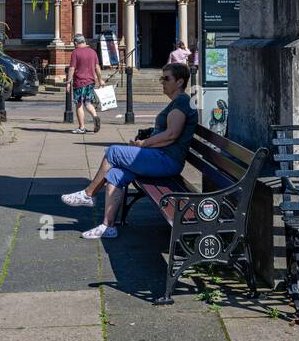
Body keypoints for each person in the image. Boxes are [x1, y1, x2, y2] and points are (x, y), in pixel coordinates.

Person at [61, 63, 197, 240]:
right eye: (161, 78)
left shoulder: (181, 102)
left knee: (113, 152)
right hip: (160, 157)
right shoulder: (177, 102)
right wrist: (143, 143)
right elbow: (167, 135)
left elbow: (171, 135)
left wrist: (144, 144)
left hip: (166, 160)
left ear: (179, 82)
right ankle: (107, 226)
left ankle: (89, 194)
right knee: (116, 173)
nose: (162, 82)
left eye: (166, 78)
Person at [66, 32, 103, 135]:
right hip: (90, 82)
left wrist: (68, 82)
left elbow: (72, 68)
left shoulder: (75, 52)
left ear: (76, 42)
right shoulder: (93, 52)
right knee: (88, 103)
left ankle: (82, 127)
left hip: (79, 82)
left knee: (79, 105)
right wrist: (100, 80)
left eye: (74, 42)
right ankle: (95, 116)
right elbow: (97, 68)